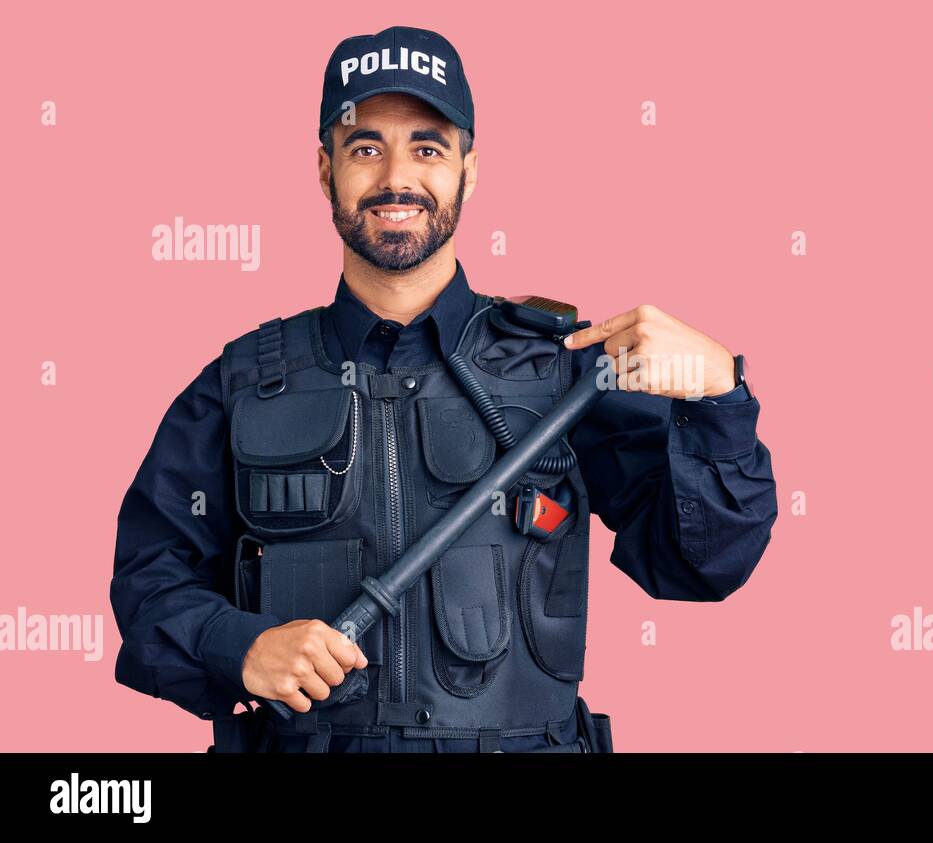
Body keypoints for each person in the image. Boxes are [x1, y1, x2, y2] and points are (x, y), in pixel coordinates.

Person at [110, 25, 778, 753]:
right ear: (324, 169)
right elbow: (148, 583)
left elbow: (701, 563)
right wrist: (240, 646)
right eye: (365, 147)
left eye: (427, 147)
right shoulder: (240, 381)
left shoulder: (564, 369)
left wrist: (720, 396)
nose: (397, 177)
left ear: (470, 168)